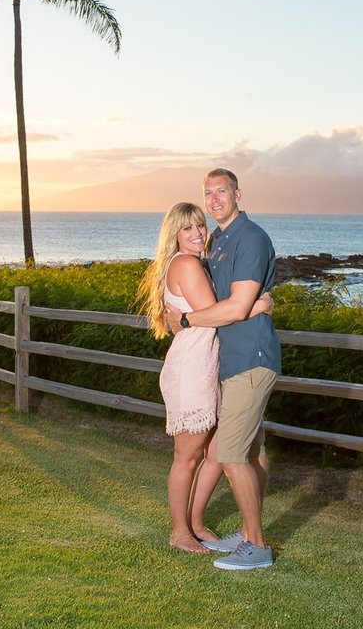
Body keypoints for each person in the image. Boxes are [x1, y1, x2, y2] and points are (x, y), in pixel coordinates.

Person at [137, 202, 272, 554]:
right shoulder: (185, 265)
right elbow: (215, 315)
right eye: (188, 229)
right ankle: (180, 531)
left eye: (200, 225)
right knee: (188, 455)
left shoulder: (194, 263)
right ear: (175, 235)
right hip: (192, 368)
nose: (198, 233)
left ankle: (196, 522)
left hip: (208, 364)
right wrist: (256, 305)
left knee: (215, 451)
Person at [165, 168, 281, 571]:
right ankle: (244, 535)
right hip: (223, 362)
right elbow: (224, 306)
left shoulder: (248, 238)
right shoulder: (213, 246)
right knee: (246, 452)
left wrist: (185, 321)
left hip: (249, 359)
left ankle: (256, 545)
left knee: (230, 453)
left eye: (221, 191)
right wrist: (255, 304)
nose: (214, 200)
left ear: (237, 193)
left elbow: (230, 307)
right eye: (208, 193)